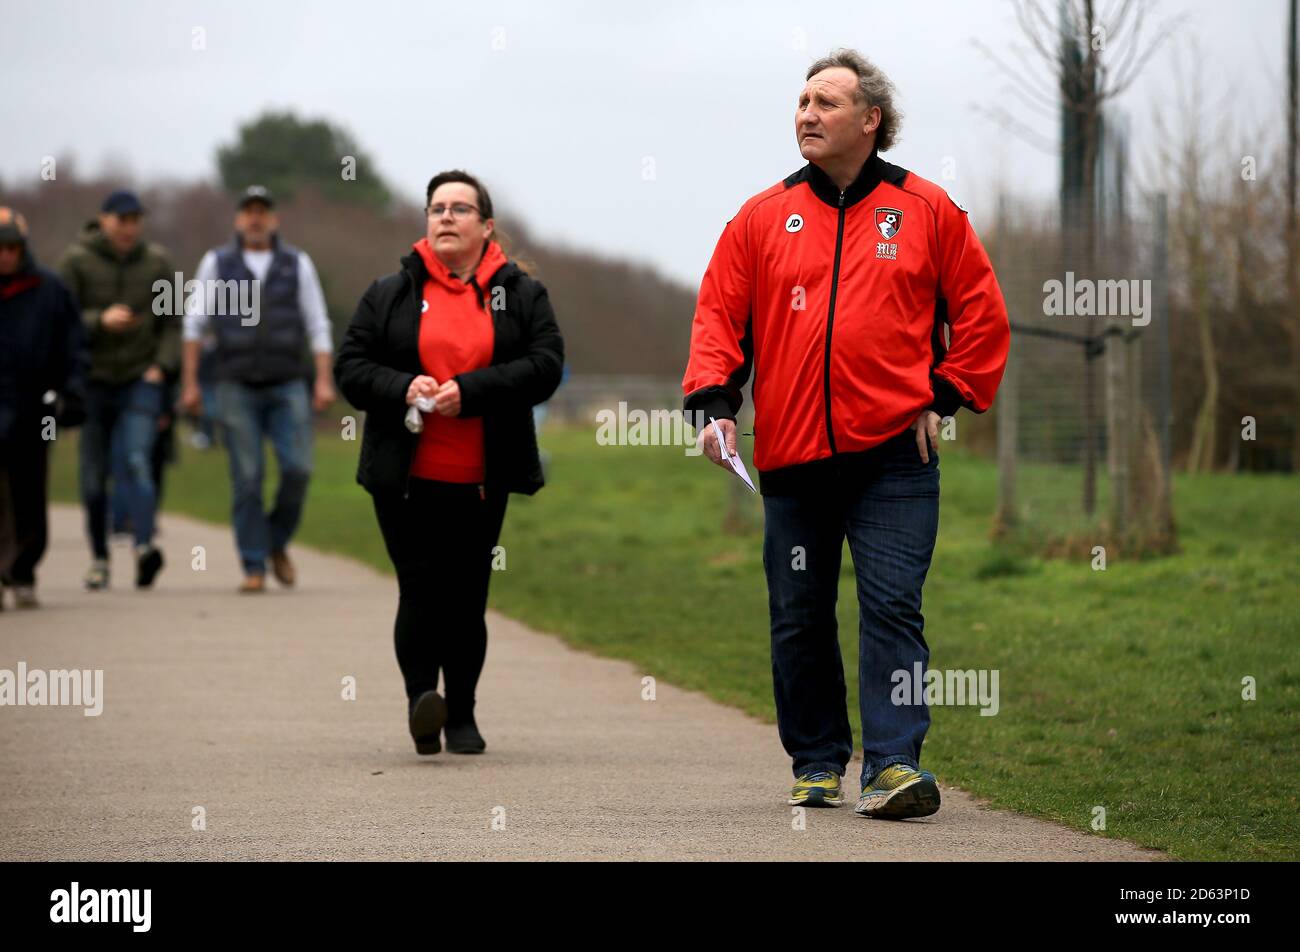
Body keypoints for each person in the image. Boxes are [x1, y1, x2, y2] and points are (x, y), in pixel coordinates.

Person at [682, 49, 1010, 818]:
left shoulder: (927, 209)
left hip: (895, 459)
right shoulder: (761, 217)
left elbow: (983, 315)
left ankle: (893, 765)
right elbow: (719, 318)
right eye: (801, 101)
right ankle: (818, 760)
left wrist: (949, 392)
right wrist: (714, 403)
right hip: (793, 460)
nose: (807, 114)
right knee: (799, 615)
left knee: (893, 607)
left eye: (826, 102)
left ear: (872, 120)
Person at [335, 170, 563, 756]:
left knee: (467, 595)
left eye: (460, 209)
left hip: (481, 479)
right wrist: (403, 384)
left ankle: (462, 714)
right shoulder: (390, 292)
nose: (445, 217)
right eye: (437, 208)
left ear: (486, 227)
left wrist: (473, 390)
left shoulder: (521, 294)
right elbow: (351, 369)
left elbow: (545, 365)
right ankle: (422, 704)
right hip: (404, 477)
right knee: (418, 588)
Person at [180, 186, 335, 593]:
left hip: (288, 383)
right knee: (247, 477)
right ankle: (253, 564)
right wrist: (191, 383)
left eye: (262, 212)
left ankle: (275, 542)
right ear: (237, 219)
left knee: (298, 470)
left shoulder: (296, 264)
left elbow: (317, 322)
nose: (255, 219)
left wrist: (322, 379)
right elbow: (194, 324)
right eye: (248, 212)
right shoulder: (217, 263)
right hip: (235, 384)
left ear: (274, 219)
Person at [57, 190, 177, 591]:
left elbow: (172, 323)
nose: (130, 228)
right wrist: (98, 320)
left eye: (135, 220)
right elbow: (60, 320)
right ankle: (99, 558)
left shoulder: (157, 262)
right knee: (94, 475)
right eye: (122, 220)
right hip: (92, 382)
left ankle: (143, 548)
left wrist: (162, 365)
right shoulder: (75, 262)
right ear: (103, 220)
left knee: (137, 461)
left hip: (141, 379)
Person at [0, 207, 87, 610]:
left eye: (11, 248)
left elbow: (73, 346)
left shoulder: (48, 289)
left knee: (29, 490)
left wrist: (71, 392)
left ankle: (23, 569)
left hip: (36, 407)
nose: (5, 256)